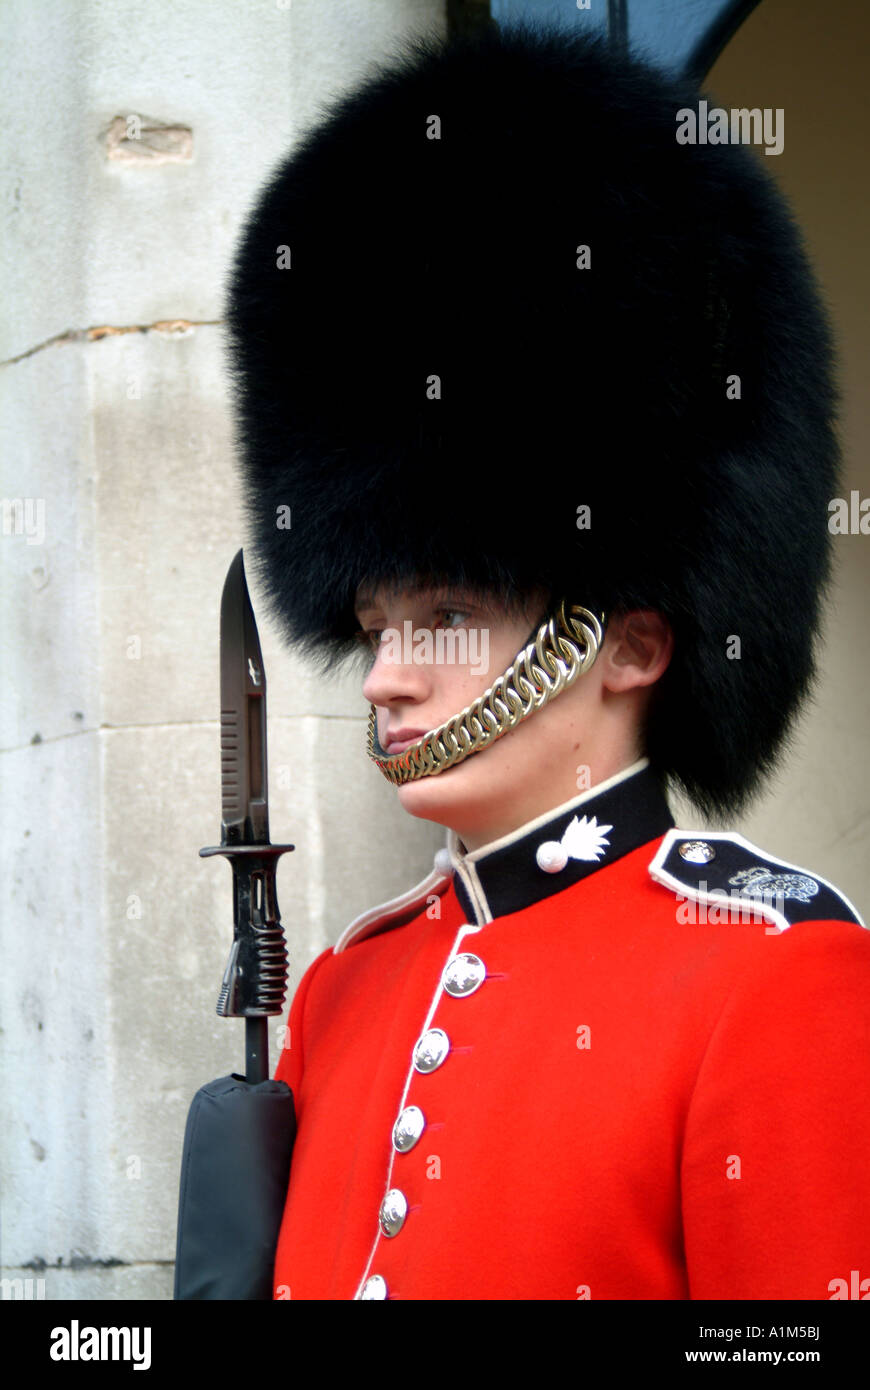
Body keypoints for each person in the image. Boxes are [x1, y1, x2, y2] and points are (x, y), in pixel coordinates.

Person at [224, 21, 870, 1299]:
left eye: (448, 617)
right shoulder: (346, 990)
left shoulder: (776, 969)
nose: (384, 675)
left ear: (629, 641)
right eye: (375, 627)